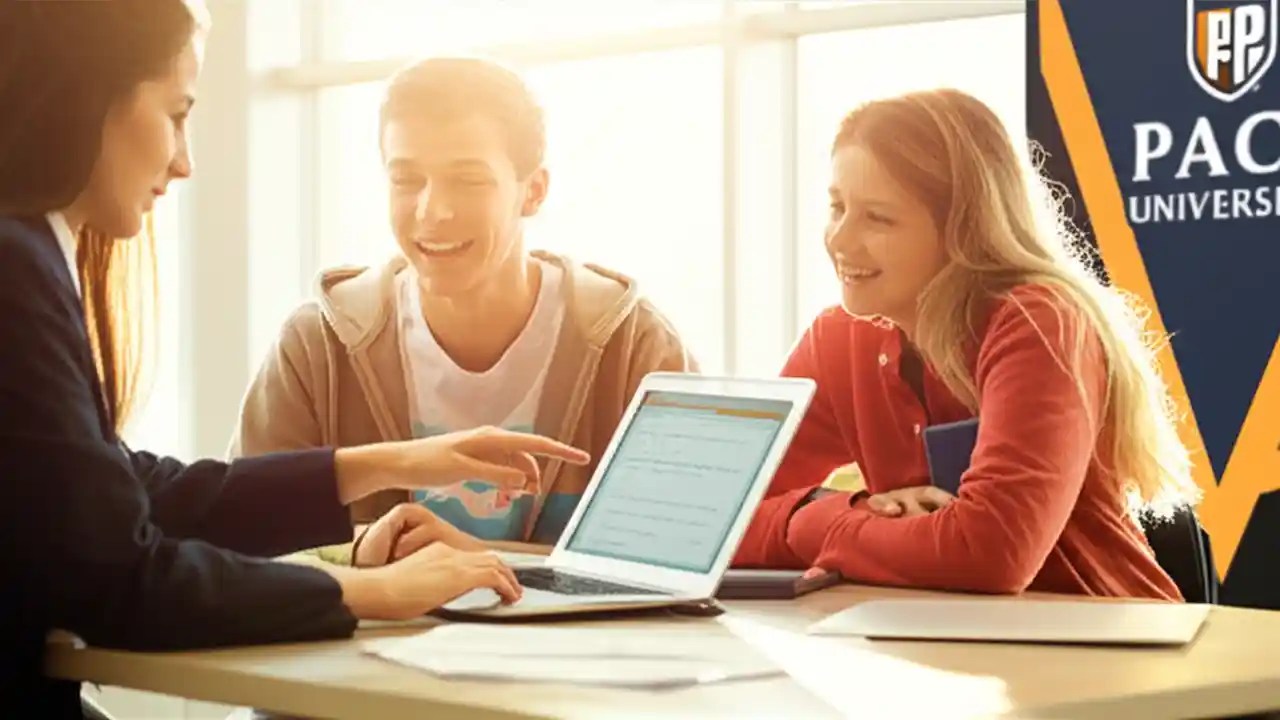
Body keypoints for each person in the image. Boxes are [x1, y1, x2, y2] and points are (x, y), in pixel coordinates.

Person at [0, 3, 590, 716]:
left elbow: (135, 490)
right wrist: (373, 590)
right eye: (177, 112)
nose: (186, 160)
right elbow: (122, 580)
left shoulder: (28, 257)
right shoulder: (17, 269)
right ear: (88, 96)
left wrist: (400, 462)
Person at [732, 88, 1200, 600]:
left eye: (878, 218)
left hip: (1106, 644)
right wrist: (849, 511)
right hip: (944, 646)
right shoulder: (839, 338)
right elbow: (710, 521)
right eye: (838, 207)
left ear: (962, 227)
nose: (840, 241)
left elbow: (990, 556)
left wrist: (815, 521)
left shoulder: (1037, 322)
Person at [230, 56, 696, 557]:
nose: (433, 211)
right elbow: (244, 545)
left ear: (533, 191)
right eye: (407, 180)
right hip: (369, 638)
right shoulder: (316, 348)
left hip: (593, 639)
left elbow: (676, 559)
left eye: (468, 180)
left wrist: (476, 556)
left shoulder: (634, 346)